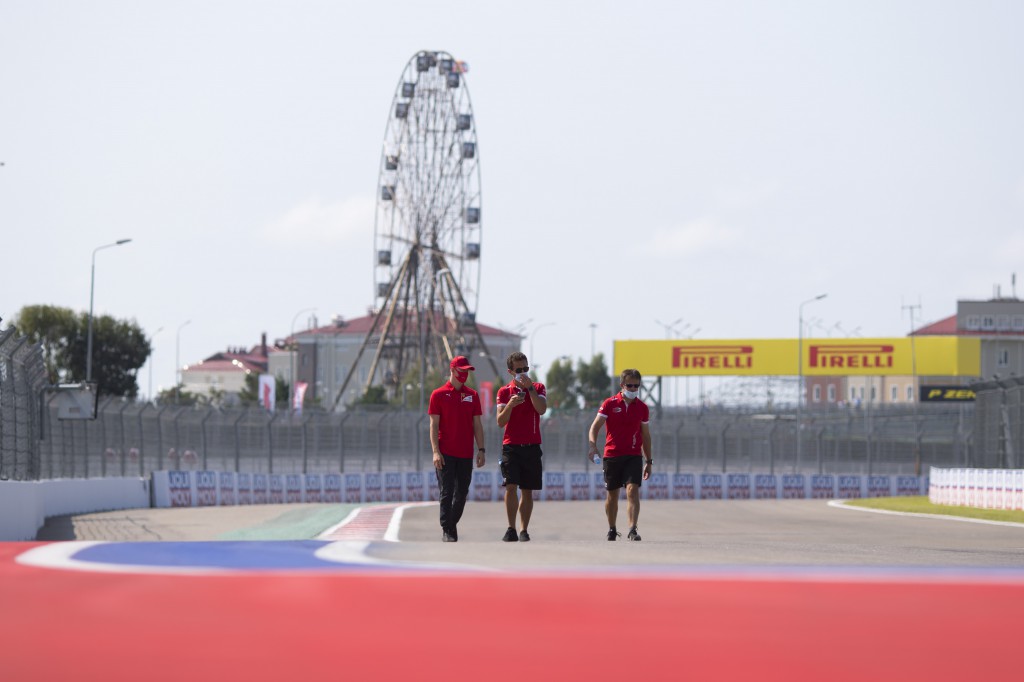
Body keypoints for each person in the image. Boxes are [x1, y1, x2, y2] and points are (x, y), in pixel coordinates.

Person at [587, 368, 652, 541]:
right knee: (612, 494)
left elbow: (646, 436)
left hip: (633, 455)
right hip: (612, 455)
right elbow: (595, 427)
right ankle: (612, 528)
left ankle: (632, 529)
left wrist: (649, 460)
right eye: (629, 385)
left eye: (636, 386)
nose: (633, 389)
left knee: (632, 490)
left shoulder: (642, 408)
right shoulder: (609, 404)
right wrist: (593, 445)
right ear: (622, 385)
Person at [428, 355, 486, 542]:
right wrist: (436, 451)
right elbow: (433, 425)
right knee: (446, 492)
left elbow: (477, 425)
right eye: (461, 371)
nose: (464, 375)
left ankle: (450, 525)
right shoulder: (438, 394)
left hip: (465, 454)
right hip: (445, 453)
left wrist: (481, 449)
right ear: (452, 370)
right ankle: (447, 530)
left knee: (462, 494)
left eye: (467, 371)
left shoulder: (473, 395)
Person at [495, 351, 547, 542]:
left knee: (527, 489)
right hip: (511, 446)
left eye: (526, 368)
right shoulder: (503, 392)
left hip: (532, 445)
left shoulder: (538, 387)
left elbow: (541, 409)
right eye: (519, 370)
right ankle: (511, 528)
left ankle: (524, 529)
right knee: (510, 486)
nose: (523, 373)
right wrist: (510, 405)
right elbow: (500, 421)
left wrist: (530, 389)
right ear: (511, 371)